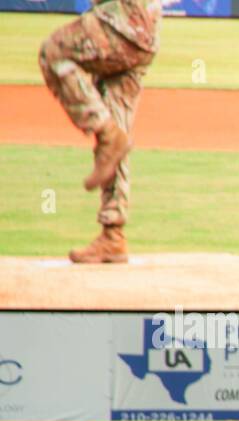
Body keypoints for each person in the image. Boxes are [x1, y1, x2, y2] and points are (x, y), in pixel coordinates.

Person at [38, 0, 162, 264]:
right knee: (118, 127)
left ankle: (106, 132)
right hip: (146, 28)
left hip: (122, 21)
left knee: (53, 53)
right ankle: (113, 235)